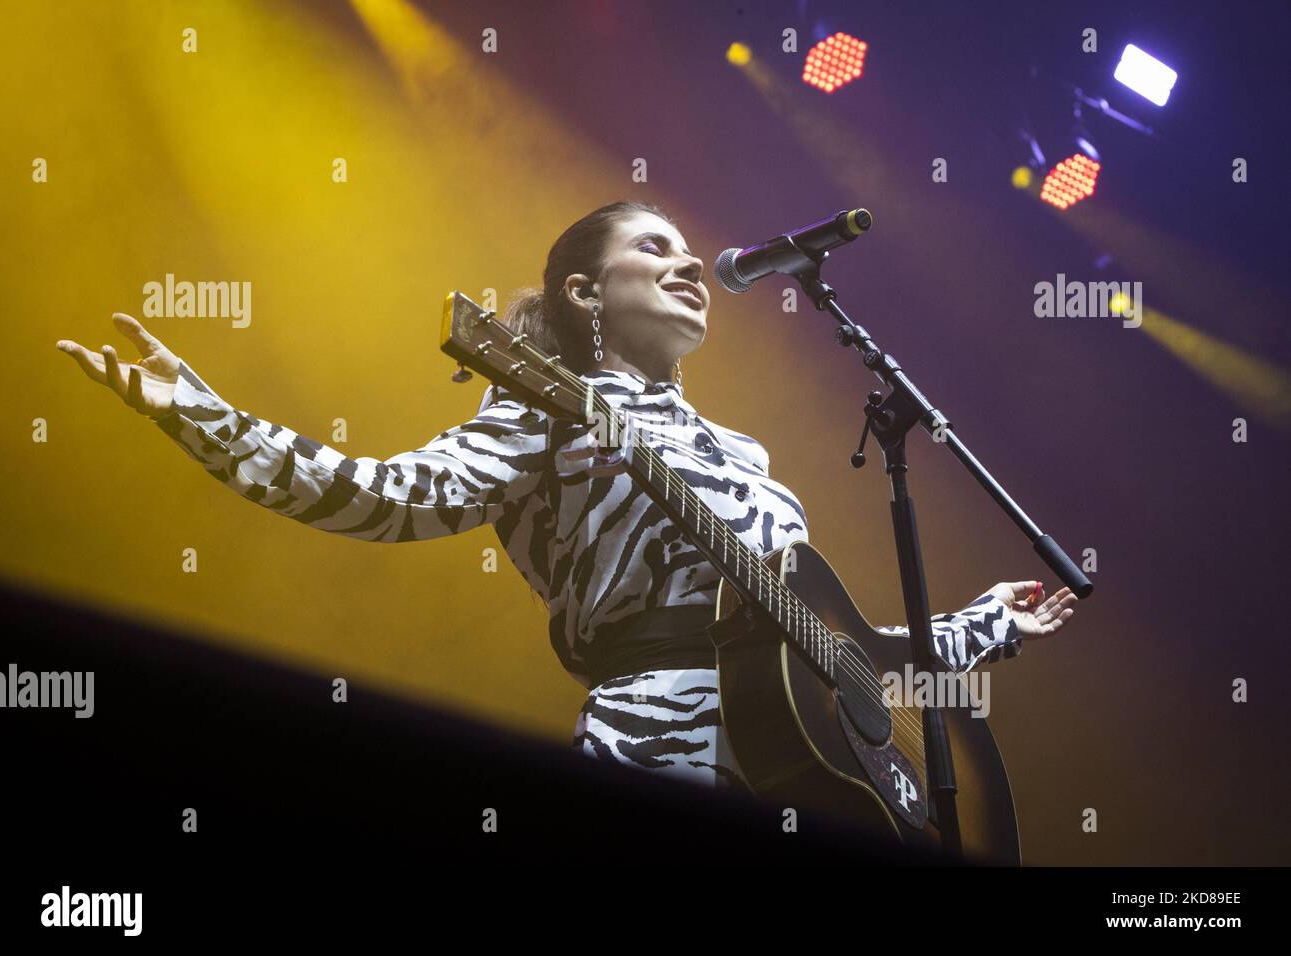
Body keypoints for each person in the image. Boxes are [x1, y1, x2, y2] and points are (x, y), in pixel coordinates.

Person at [56, 199, 1078, 792]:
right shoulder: (553, 404)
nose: (686, 263)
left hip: (825, 766)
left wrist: (987, 622)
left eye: (689, 250)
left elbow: (840, 651)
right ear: (582, 295)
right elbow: (380, 495)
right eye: (652, 247)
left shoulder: (748, 453)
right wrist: (198, 412)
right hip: (658, 732)